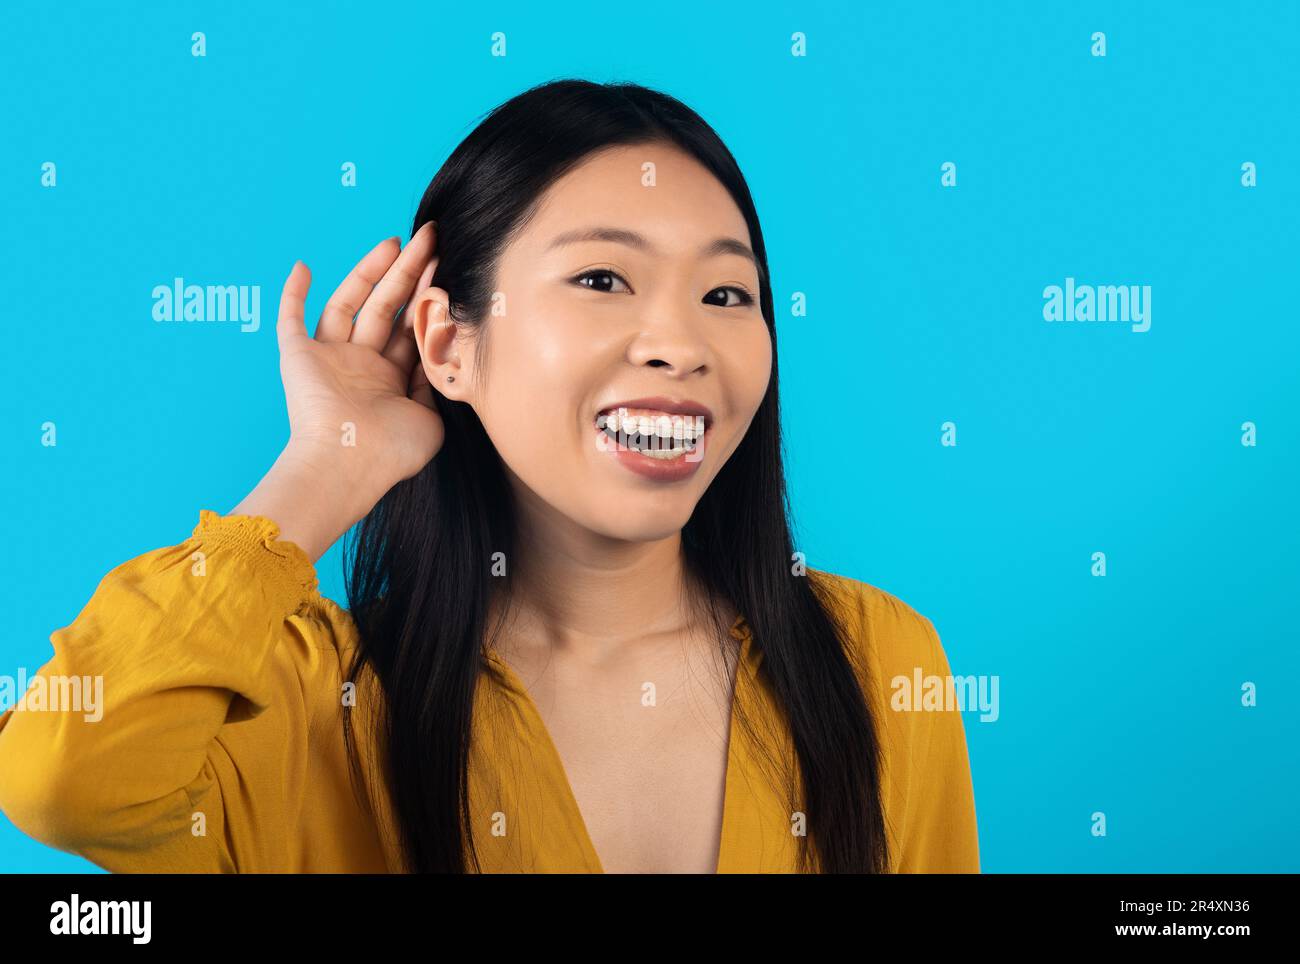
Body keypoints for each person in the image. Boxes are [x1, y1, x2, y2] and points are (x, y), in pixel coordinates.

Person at [0, 79, 979, 874]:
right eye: (602, 278)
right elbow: (60, 773)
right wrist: (327, 465)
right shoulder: (304, 705)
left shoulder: (879, 660)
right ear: (447, 342)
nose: (682, 343)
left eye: (727, 292)